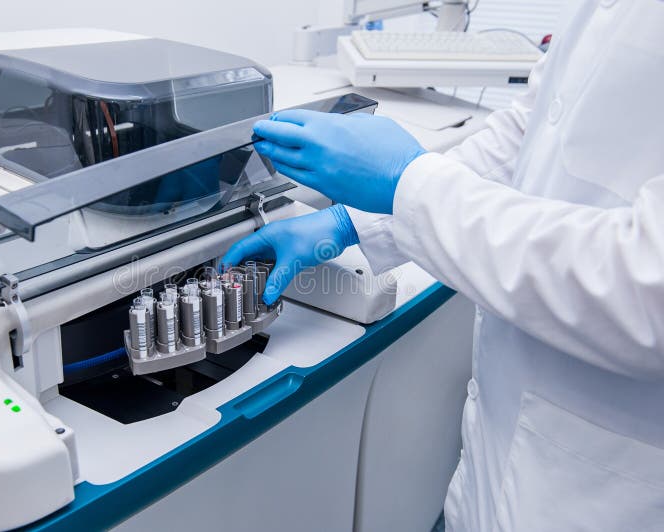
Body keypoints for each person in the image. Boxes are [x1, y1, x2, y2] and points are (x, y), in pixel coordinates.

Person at [222, 1, 664, 530]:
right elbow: (534, 129)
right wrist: (352, 222)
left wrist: (409, 184)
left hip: (612, 480)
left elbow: (647, 284)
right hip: (507, 451)